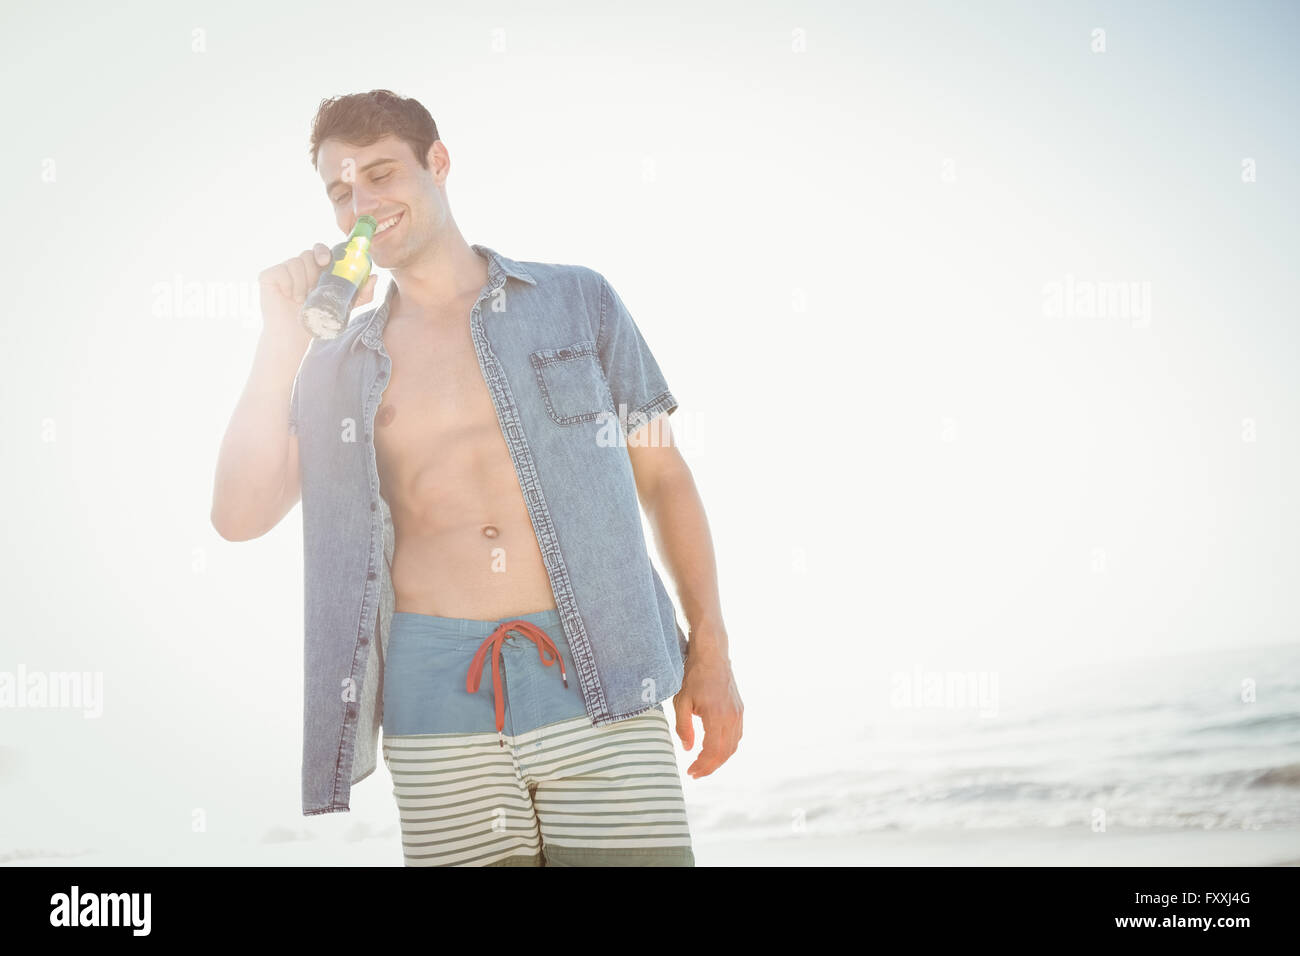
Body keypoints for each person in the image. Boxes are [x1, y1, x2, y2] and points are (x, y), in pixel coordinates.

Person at [211, 89, 742, 866]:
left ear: (439, 163)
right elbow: (238, 514)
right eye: (340, 191)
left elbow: (663, 473)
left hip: (605, 672)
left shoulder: (578, 300)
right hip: (435, 699)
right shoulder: (333, 366)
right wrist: (280, 344)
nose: (362, 203)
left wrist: (712, 652)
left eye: (382, 174)